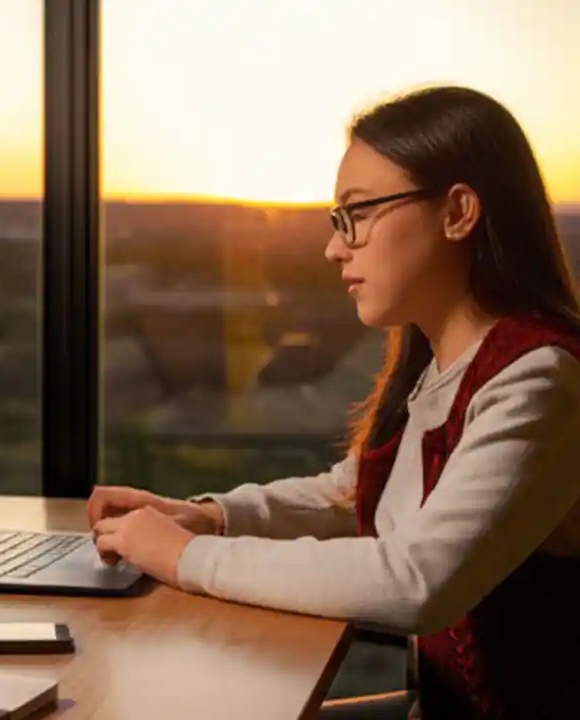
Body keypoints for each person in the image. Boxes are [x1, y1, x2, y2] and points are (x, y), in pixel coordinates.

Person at [88, 85, 580, 720]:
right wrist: (210, 517)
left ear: (458, 212)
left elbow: (416, 580)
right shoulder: (444, 367)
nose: (334, 247)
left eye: (359, 213)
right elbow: (352, 496)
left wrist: (184, 557)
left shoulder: (539, 380)